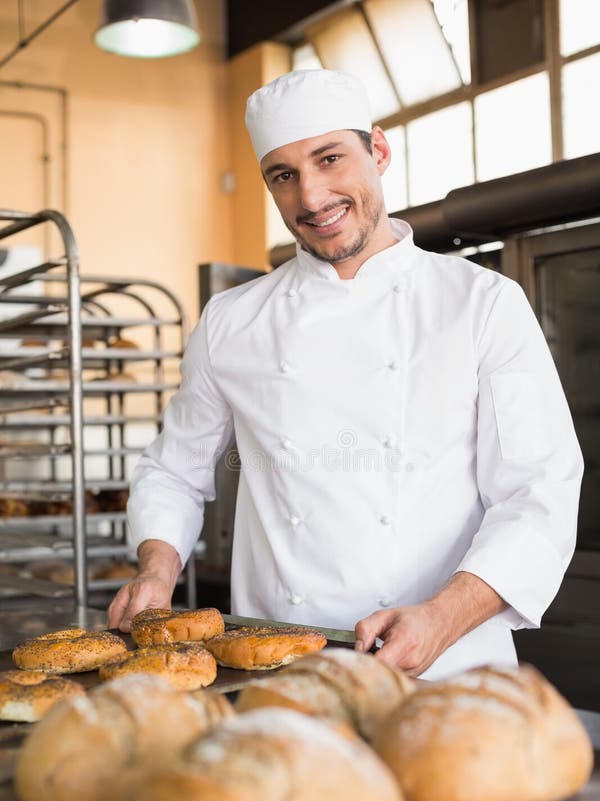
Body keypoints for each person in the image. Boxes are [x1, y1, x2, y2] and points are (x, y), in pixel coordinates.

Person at [107, 69, 583, 679]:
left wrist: (443, 616)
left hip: (447, 666)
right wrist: (157, 570)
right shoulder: (233, 320)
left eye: (329, 159)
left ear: (378, 151)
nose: (310, 197)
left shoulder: (481, 303)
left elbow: (539, 492)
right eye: (284, 175)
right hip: (281, 669)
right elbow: (175, 469)